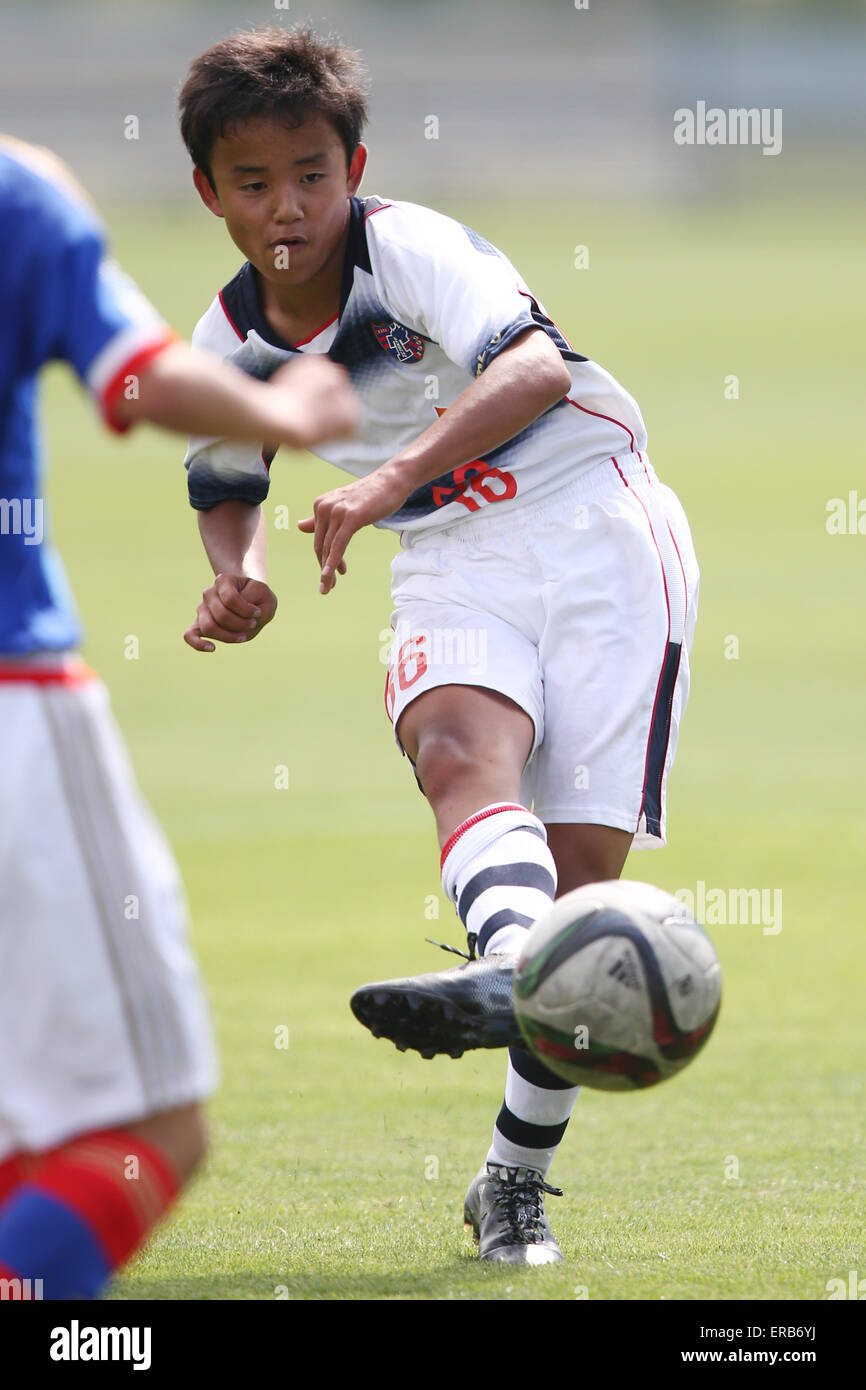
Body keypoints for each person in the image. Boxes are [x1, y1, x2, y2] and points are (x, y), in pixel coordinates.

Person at [178, 26, 699, 1265]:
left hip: (592, 517)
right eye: (253, 184)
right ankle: (506, 960)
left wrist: (380, 483)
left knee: (581, 888)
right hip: (450, 558)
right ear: (208, 192)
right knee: (457, 753)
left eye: (311, 174)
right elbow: (224, 475)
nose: (287, 205)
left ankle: (508, 1175)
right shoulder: (225, 341)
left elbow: (526, 368)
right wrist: (233, 579)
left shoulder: (404, 248)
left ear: (351, 165)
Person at [0, 133, 357, 1300]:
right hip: (15, 698)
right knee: (145, 1131)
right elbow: (137, 374)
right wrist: (288, 402)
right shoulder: (15, 191)